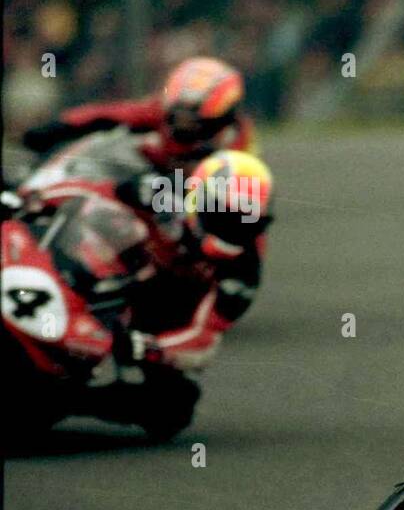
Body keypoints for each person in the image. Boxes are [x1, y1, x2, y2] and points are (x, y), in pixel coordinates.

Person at [77, 149, 274, 436]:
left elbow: (202, 339)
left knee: (174, 407)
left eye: (247, 221)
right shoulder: (163, 192)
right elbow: (92, 193)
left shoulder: (242, 274)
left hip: (150, 315)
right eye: (225, 216)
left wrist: (147, 347)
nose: (235, 229)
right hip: (96, 265)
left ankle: (62, 401)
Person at [21, 56, 258, 172]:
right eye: (177, 114)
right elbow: (109, 114)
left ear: (219, 118)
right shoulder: (160, 111)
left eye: (192, 118)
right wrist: (60, 126)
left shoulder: (236, 142)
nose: (181, 123)